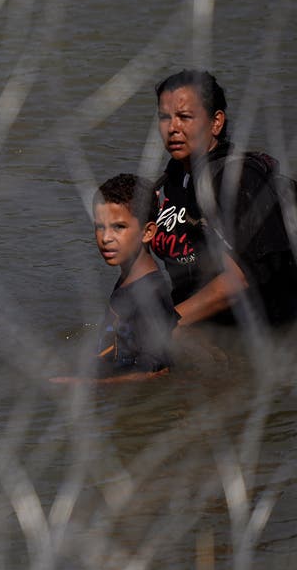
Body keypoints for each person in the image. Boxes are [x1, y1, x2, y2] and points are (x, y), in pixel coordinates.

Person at [151, 70, 297, 326]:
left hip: (261, 333)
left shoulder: (235, 179)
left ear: (216, 122)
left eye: (185, 117)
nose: (172, 128)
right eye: (165, 118)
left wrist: (168, 324)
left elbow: (239, 279)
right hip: (199, 320)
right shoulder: (175, 176)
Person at [89, 174, 177, 380]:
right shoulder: (130, 279)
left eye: (119, 227)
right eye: (99, 227)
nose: (106, 238)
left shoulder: (150, 296)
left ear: (147, 232)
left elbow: (155, 371)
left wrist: (82, 384)